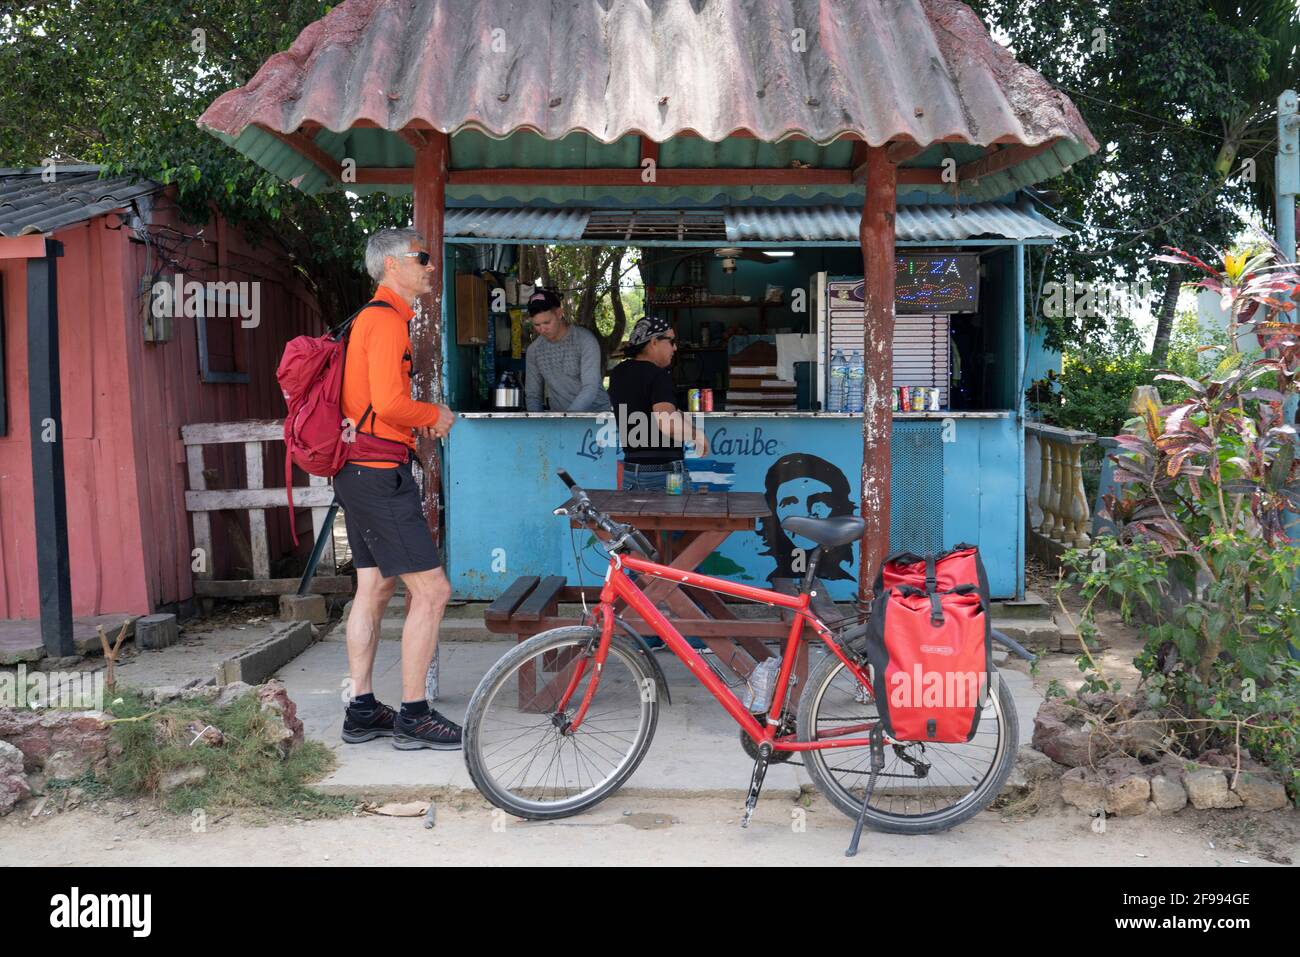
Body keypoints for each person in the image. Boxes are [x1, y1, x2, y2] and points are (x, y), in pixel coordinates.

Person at [334, 227, 462, 751]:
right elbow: (388, 404)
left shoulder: (374, 319)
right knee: (433, 591)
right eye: (422, 258)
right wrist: (435, 414)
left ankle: (362, 709)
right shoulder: (385, 322)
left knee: (375, 587)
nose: (431, 266)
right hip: (378, 475)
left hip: (358, 471)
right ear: (391, 265)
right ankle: (414, 714)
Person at [606, 315, 709, 490]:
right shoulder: (657, 375)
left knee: (636, 519)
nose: (675, 347)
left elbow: (644, 409)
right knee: (682, 517)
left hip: (631, 473)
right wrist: (697, 435)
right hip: (664, 475)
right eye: (671, 341)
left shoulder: (618, 374)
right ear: (654, 341)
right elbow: (666, 422)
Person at [756, 453, 858, 583]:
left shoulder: (846, 583)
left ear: (839, 508)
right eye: (789, 502)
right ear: (774, 510)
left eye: (818, 501)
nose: (805, 513)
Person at [523, 287, 612, 412]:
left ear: (559, 313)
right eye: (537, 325)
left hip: (597, 419)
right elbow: (533, 395)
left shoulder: (584, 340)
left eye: (547, 323)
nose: (542, 329)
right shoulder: (534, 351)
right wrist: (537, 426)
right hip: (560, 420)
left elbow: (590, 388)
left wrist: (567, 419)